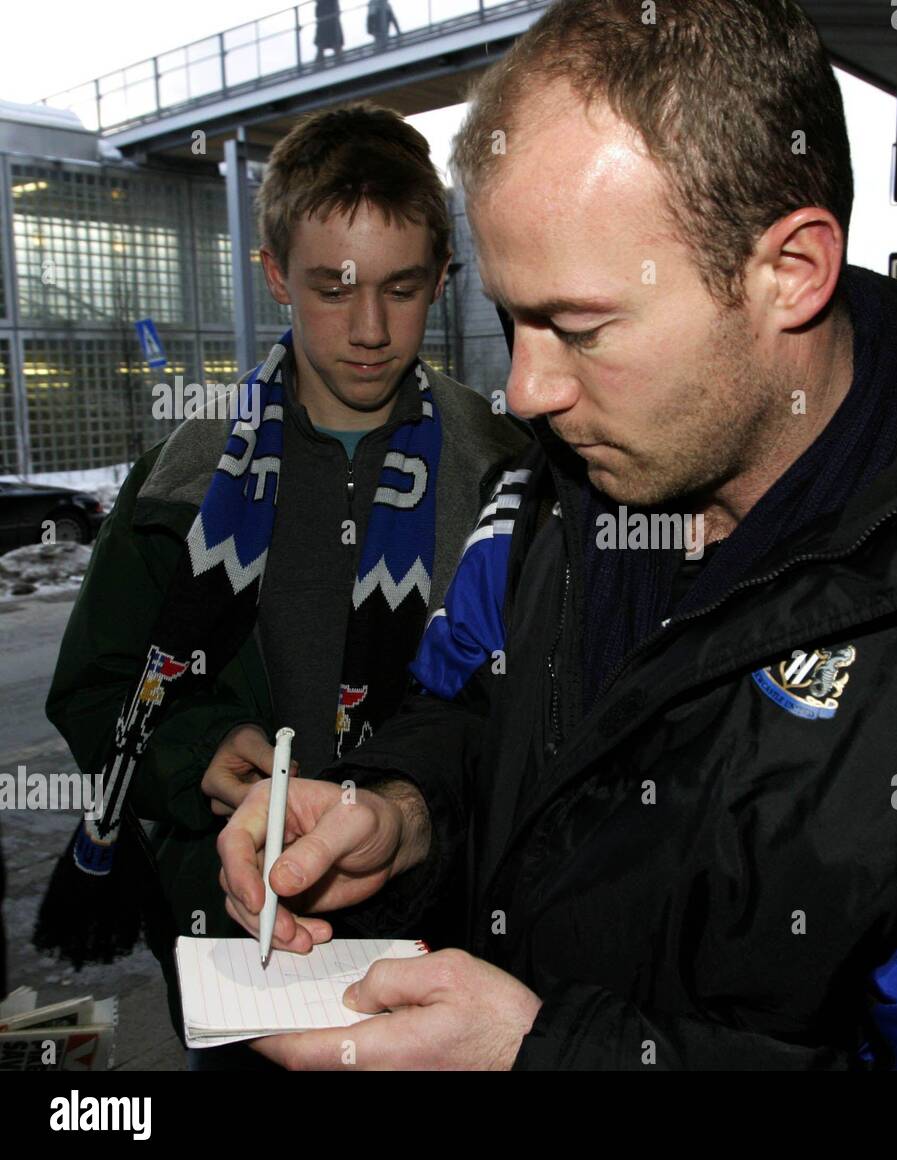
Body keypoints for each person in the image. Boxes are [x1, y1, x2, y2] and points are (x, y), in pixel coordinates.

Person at [219, 0, 897, 1070]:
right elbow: (473, 709)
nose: (524, 389)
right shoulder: (545, 500)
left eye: (578, 326)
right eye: (512, 318)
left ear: (789, 270)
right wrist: (401, 811)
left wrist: (551, 1057)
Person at [36, 101, 529, 1067]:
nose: (372, 330)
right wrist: (200, 752)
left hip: (445, 940)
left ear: (439, 279)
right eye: (333, 290)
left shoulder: (507, 477)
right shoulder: (177, 481)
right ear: (274, 277)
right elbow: (94, 691)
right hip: (233, 944)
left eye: (402, 288)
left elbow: (540, 721)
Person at [315, 0, 344, 64]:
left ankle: (340, 63)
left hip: (331, 21)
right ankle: (319, 66)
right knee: (321, 47)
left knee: (336, 45)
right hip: (324, 22)